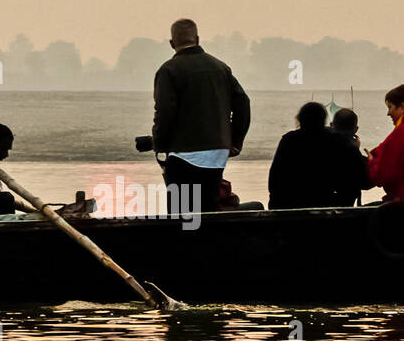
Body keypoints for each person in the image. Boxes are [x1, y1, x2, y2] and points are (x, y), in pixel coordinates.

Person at [152, 18, 251, 214]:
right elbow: (243, 104)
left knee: (183, 215)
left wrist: (159, 145)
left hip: (183, 154)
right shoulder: (220, 67)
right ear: (197, 39)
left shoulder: (168, 70)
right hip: (217, 153)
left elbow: (164, 113)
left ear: (172, 43)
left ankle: (188, 242)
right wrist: (235, 140)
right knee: (208, 208)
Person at [268, 102, 366, 209]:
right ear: (324, 120)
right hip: (327, 214)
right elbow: (359, 181)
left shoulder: (288, 140)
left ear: (299, 120)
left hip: (285, 212)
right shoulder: (339, 143)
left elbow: (273, 183)